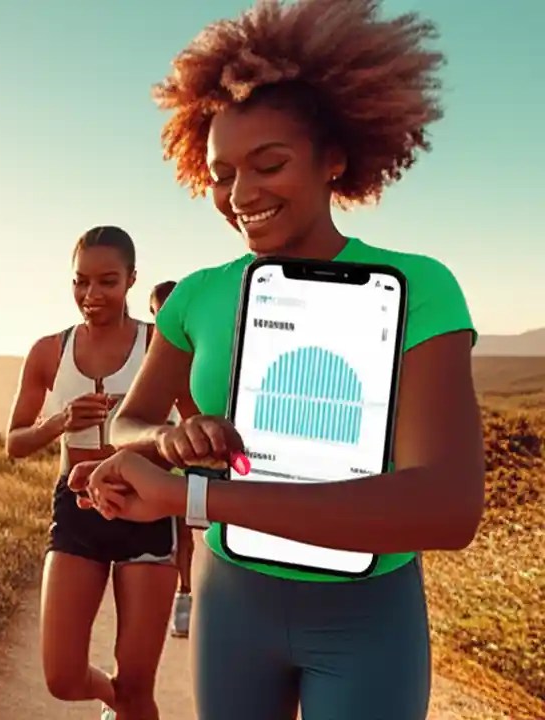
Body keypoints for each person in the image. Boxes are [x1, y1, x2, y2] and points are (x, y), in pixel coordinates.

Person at [71, 1, 484, 719]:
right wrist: (167, 443)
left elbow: (447, 508)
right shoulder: (197, 296)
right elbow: (130, 423)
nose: (241, 196)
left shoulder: (422, 288)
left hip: (367, 611)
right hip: (234, 599)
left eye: (270, 165)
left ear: (336, 158)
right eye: (222, 175)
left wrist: (192, 497)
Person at [5, 226, 193, 720]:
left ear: (132, 279)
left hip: (147, 510)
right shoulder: (49, 351)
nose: (91, 295)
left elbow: (197, 437)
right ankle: (117, 701)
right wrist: (60, 422)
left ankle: (129, 701)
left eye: (107, 281)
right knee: (62, 677)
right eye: (80, 282)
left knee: (139, 685)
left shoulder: (163, 347)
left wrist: (152, 457)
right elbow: (14, 442)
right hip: (77, 510)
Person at [149, 280, 195, 639]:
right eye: (158, 312)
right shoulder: (152, 352)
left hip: (208, 442)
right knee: (180, 524)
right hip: (169, 445)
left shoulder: (207, 343)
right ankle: (185, 593)